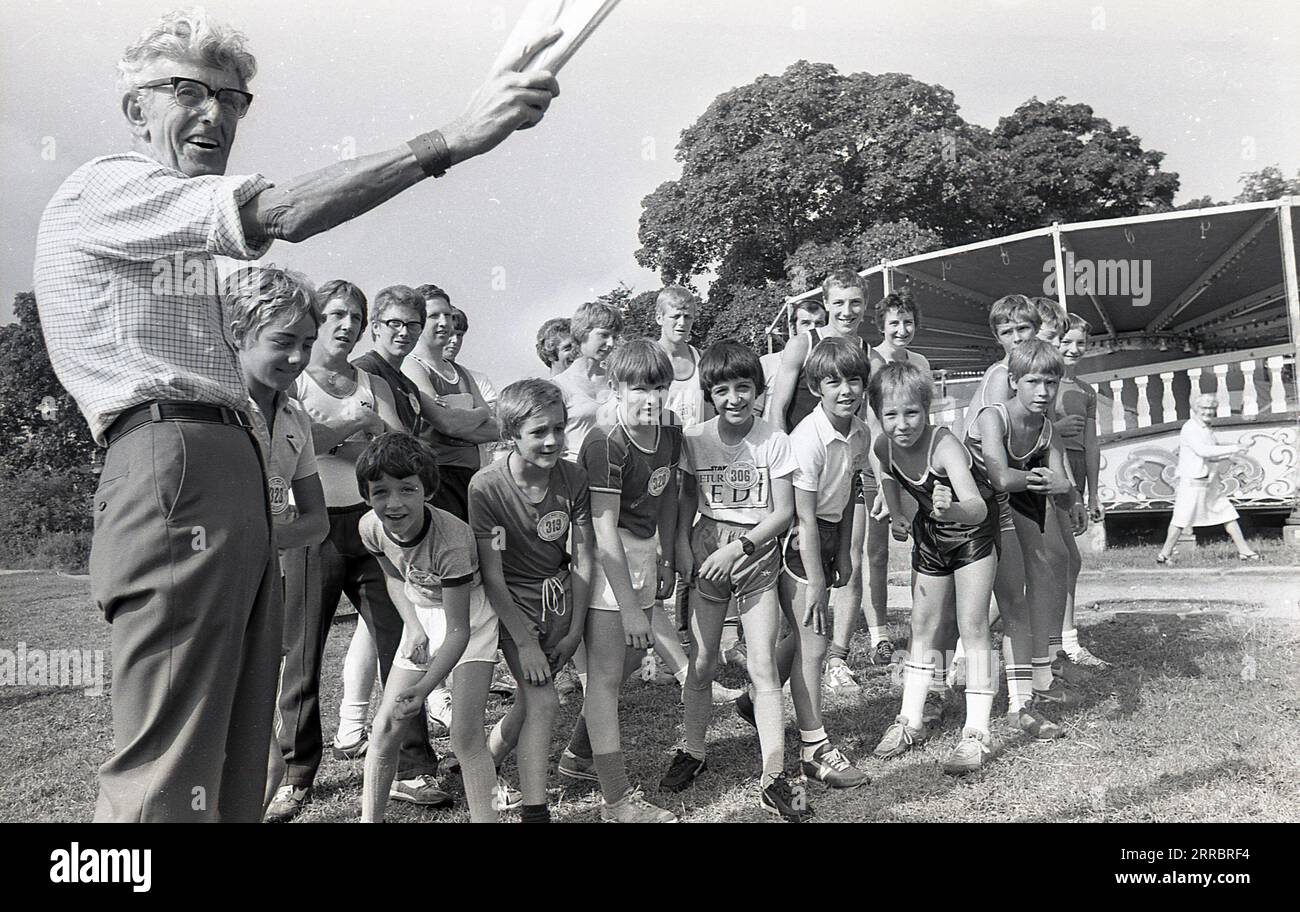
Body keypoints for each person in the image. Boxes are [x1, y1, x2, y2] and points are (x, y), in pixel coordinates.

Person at [33, 7, 560, 821]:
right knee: (168, 758)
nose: (216, 114)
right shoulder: (109, 186)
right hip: (170, 461)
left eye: (235, 99)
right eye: (188, 91)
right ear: (136, 108)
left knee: (237, 750)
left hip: (224, 467)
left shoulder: (177, 234)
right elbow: (278, 214)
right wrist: (454, 136)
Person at [272, 281, 445, 822]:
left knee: (403, 643)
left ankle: (414, 767)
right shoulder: (294, 380)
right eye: (335, 314)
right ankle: (297, 776)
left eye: (355, 316)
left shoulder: (369, 380)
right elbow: (294, 445)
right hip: (313, 528)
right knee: (302, 654)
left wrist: (361, 428)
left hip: (372, 527)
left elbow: (401, 448)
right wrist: (353, 424)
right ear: (317, 319)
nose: (346, 325)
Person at [659, 342, 808, 822]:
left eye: (743, 387)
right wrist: (682, 546)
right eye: (722, 390)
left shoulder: (774, 439)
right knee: (701, 661)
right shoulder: (696, 438)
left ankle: (773, 774)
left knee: (762, 666)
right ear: (710, 393)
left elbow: (783, 512)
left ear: (757, 390)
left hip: (755, 553)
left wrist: (740, 548)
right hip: (707, 554)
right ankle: (694, 749)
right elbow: (685, 498)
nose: (734, 399)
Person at [555, 341, 680, 822]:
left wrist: (668, 554)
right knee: (605, 682)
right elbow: (603, 528)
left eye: (658, 386)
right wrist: (628, 605)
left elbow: (667, 496)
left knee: (623, 666)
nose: (649, 397)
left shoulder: (670, 434)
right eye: (638, 387)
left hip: (645, 555)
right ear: (615, 388)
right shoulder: (605, 442)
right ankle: (617, 801)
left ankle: (575, 757)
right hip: (610, 563)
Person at [738, 337, 870, 789]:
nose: (846, 390)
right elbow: (805, 517)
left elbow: (853, 492)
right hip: (799, 538)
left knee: (799, 640)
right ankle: (814, 749)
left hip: (831, 534)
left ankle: (753, 698)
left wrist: (849, 556)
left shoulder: (860, 431)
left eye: (854, 380)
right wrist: (815, 577)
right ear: (816, 387)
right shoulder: (807, 439)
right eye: (834, 382)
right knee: (814, 642)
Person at [355, 434, 505, 823]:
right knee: (386, 725)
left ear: (428, 490)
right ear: (366, 495)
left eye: (407, 489)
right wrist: (414, 627)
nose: (394, 503)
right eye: (380, 491)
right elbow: (393, 577)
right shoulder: (370, 526)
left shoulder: (452, 539)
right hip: (421, 614)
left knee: (466, 736)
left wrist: (425, 688)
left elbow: (458, 631)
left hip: (469, 618)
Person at [227, 266, 331, 811]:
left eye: (307, 344)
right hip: (207, 597)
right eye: (283, 342)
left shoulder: (295, 416)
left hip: (264, 589)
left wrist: (264, 539)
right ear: (239, 333)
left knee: (265, 763)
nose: (297, 358)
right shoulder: (210, 408)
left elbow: (317, 520)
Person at [468, 380, 594, 823]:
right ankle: (535, 811)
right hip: (512, 611)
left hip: (556, 607)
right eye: (539, 431)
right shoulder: (485, 487)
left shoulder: (574, 477)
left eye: (559, 428)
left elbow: (582, 559)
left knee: (528, 700)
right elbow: (493, 577)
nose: (553, 441)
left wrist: (575, 628)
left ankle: (483, 763)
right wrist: (522, 642)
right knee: (544, 702)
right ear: (512, 433)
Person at [868, 362, 1002, 774]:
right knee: (922, 626)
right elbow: (887, 476)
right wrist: (896, 513)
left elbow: (978, 508)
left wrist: (950, 508)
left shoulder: (943, 446)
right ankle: (908, 720)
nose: (902, 423)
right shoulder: (882, 445)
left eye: (912, 413)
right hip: (932, 536)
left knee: (972, 626)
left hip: (972, 534)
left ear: (927, 409)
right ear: (877, 414)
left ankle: (977, 732)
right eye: (891, 414)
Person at [966, 340, 1077, 738]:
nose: (1043, 392)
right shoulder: (994, 416)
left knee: (1020, 596)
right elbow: (999, 476)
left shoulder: (1047, 430)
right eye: (1033, 382)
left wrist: (1064, 486)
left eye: (1051, 382)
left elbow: (1065, 491)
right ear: (1013, 381)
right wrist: (1046, 481)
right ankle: (928, 693)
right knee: (951, 614)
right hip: (963, 514)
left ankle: (1022, 701)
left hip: (1003, 510)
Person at [828, 290, 932, 699]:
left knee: (923, 548)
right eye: (894, 324)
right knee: (871, 554)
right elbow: (871, 423)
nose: (902, 330)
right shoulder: (873, 361)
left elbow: (925, 417)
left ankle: (921, 635)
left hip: (916, 466)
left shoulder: (920, 363)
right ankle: (877, 635)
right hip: (879, 464)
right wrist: (879, 479)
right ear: (882, 326)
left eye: (908, 322)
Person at [405, 286, 498, 520]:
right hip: (436, 481)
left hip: (471, 480)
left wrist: (460, 420)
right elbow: (447, 424)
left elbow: (496, 428)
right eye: (434, 315)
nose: (444, 322)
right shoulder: (412, 366)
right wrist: (479, 413)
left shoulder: (462, 372)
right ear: (417, 320)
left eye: (447, 315)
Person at [1055, 314, 1110, 668]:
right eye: (1066, 342)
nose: (1074, 350)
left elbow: (1091, 444)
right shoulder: (1042, 382)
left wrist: (1092, 494)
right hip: (1052, 468)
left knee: (1069, 561)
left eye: (1081, 344)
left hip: (1075, 470)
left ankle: (1067, 640)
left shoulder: (1087, 391)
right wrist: (1057, 428)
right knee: (1059, 560)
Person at [1156, 394, 1258, 563]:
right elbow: (1203, 451)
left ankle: (1244, 550)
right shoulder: (1190, 428)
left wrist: (1235, 450)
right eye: (1204, 408)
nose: (1208, 412)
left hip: (1208, 482)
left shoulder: (1206, 429)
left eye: (1211, 408)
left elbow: (1212, 451)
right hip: (1193, 482)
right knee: (1181, 519)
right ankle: (1164, 554)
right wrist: (1234, 448)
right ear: (1195, 409)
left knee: (1227, 512)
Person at [553, 301, 622, 462]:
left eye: (614, 337)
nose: (611, 343)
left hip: (614, 472)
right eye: (604, 335)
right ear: (583, 333)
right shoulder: (558, 386)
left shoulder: (617, 380)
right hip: (575, 475)